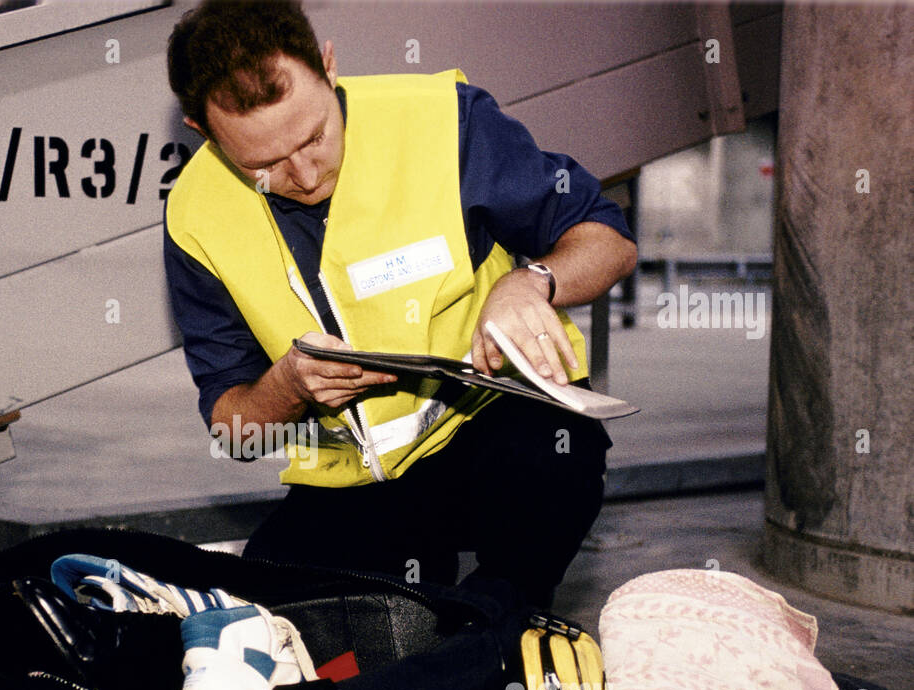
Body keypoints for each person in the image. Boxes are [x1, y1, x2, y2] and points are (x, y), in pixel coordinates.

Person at [163, 0, 637, 606]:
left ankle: (500, 621)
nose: (305, 174)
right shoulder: (195, 215)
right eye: (263, 165)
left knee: (551, 457)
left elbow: (608, 240)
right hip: (359, 479)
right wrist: (288, 387)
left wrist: (530, 281)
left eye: (314, 135)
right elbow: (233, 429)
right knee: (278, 614)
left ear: (329, 65)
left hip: (494, 432)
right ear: (201, 131)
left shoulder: (441, 121)